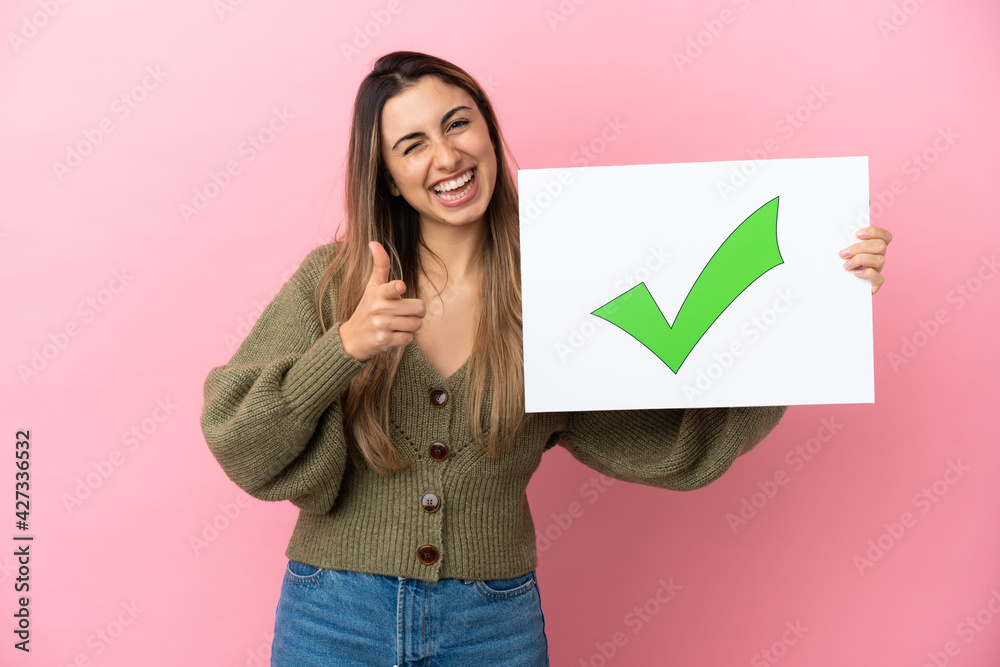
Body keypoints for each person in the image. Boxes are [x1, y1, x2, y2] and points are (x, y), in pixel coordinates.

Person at [200, 51, 892, 667]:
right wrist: (344, 349)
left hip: (492, 623)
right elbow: (241, 439)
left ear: (489, 133)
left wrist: (809, 307)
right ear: (386, 176)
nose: (445, 156)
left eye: (458, 123)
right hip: (333, 613)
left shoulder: (562, 283)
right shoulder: (334, 282)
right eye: (412, 144)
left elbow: (675, 445)